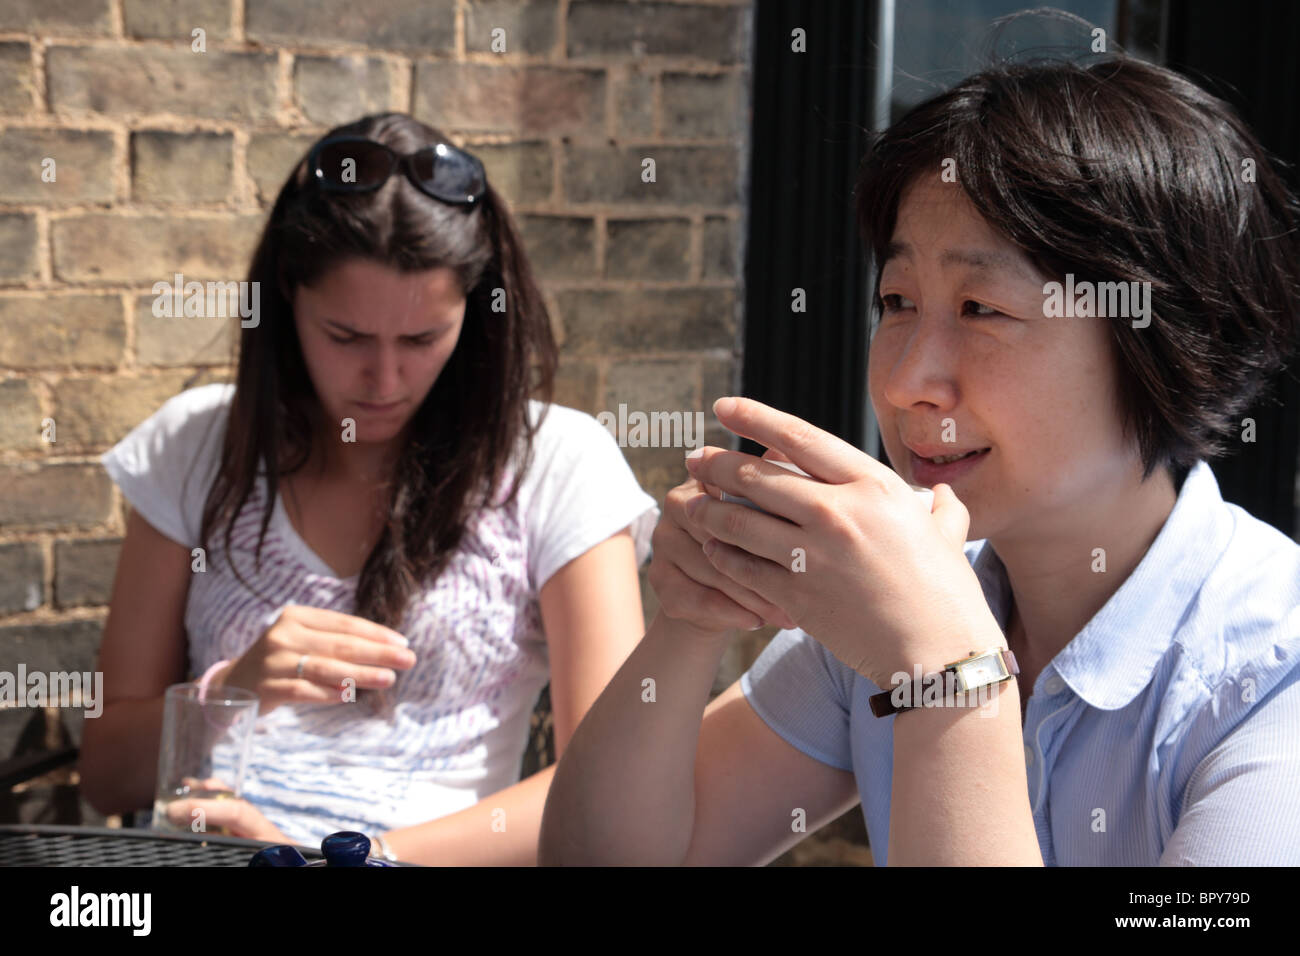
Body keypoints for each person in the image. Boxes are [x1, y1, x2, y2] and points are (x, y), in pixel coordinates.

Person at [539, 52, 1300, 865]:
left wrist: (949, 671)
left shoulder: (1271, 676)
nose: (905, 385)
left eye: (981, 308)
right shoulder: (908, 590)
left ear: (1169, 342)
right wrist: (693, 620)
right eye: (897, 301)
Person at [80, 113, 659, 864]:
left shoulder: (558, 461)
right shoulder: (195, 446)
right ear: (288, 299)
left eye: (421, 341)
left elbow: (611, 789)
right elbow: (107, 775)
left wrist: (353, 857)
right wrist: (234, 687)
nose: (384, 382)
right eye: (346, 337)